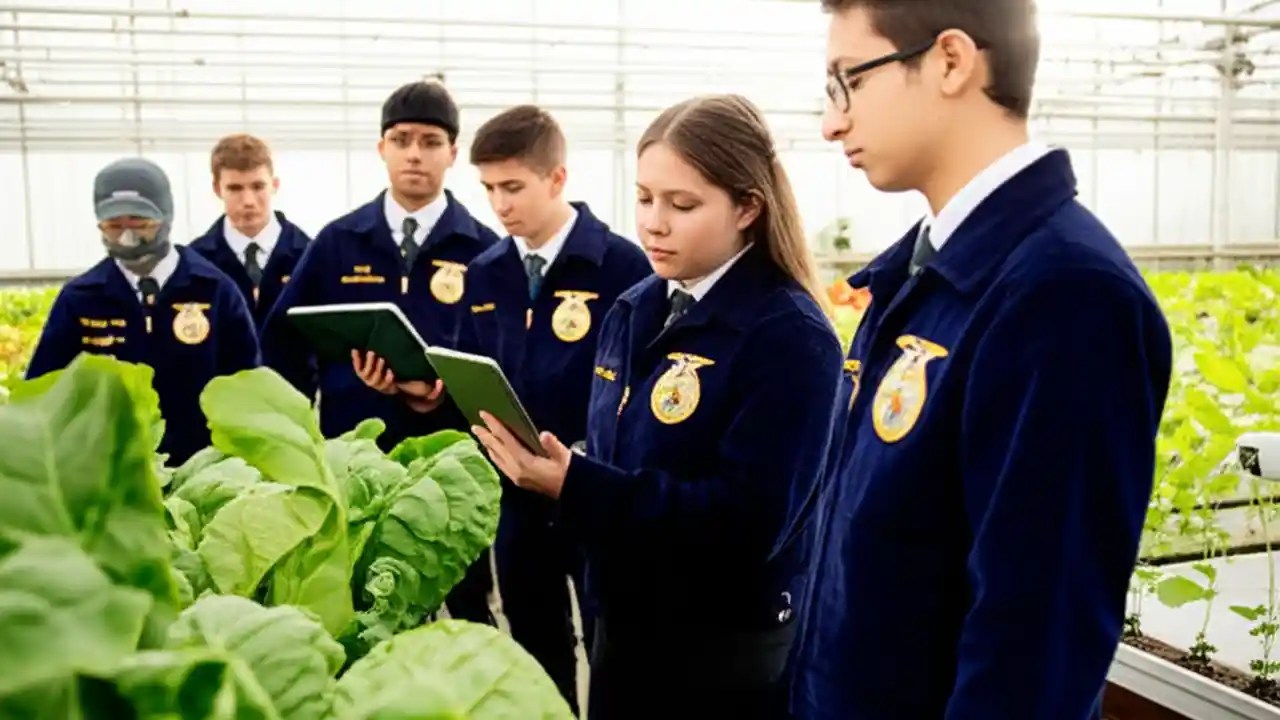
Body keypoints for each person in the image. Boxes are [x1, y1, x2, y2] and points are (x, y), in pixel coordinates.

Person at [788, 2, 1175, 719]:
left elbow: (1035, 644)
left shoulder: (1065, 295)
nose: (831, 122)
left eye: (850, 82)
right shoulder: (926, 275)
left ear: (951, 61)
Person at [469, 94, 846, 719]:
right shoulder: (635, 308)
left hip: (722, 652)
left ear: (748, 207)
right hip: (625, 627)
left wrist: (577, 485)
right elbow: (625, 451)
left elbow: (747, 524)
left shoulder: (788, 335)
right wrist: (574, 470)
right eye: (645, 198)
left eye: (683, 204)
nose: (654, 222)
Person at [356, 104, 650, 712]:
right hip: (514, 492)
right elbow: (466, 368)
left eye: (513, 187)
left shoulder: (623, 265)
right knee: (535, 640)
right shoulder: (486, 272)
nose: (500, 205)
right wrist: (423, 391)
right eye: (488, 188)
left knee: (611, 643)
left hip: (591, 488)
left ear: (558, 179)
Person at [261, 80, 500, 626]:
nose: (415, 153)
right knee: (366, 610)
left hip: (453, 470)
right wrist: (302, 438)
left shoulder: (483, 250)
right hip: (357, 463)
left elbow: (499, 364)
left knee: (466, 609)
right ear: (382, 148)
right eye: (401, 138)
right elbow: (283, 342)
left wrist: (436, 398)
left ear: (453, 154)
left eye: (431, 141)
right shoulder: (338, 242)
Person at [26, 157, 260, 466]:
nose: (127, 237)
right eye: (113, 225)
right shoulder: (81, 298)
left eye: (139, 223)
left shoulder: (214, 290)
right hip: (111, 470)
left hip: (201, 469)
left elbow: (249, 386)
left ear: (166, 217)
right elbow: (43, 392)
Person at [187, 133, 313, 329]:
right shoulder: (193, 263)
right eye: (235, 188)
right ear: (217, 189)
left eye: (258, 187)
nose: (248, 201)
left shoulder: (311, 256)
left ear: (275, 185)